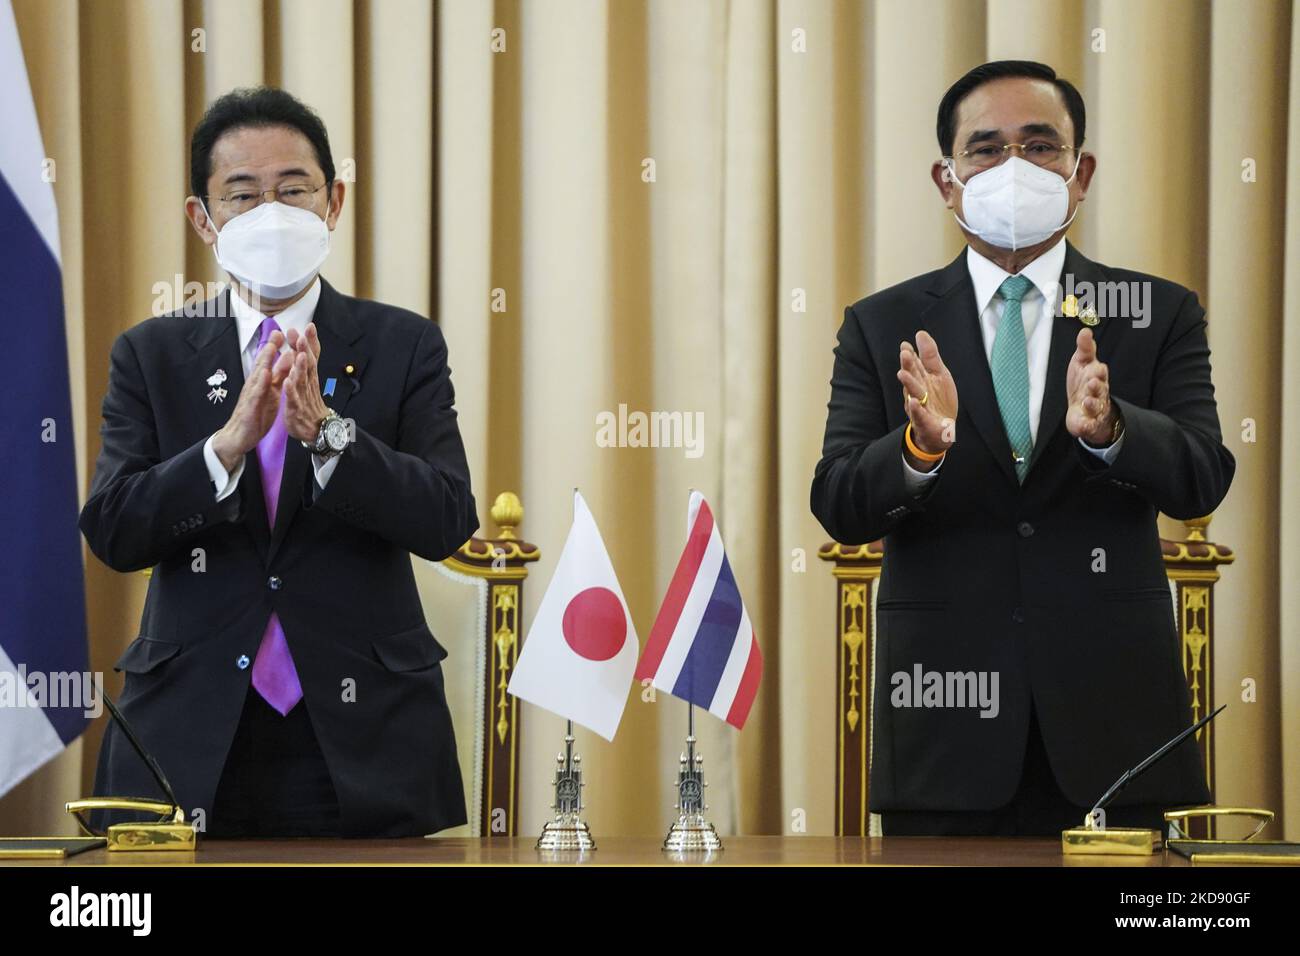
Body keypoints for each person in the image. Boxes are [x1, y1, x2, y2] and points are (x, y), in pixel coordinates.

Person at [810, 61, 1235, 836]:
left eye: (1040, 147)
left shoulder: (1156, 311)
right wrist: (919, 448)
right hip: (944, 736)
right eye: (986, 149)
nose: (1013, 168)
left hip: (1117, 730)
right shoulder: (881, 324)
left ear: (1081, 173)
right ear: (947, 181)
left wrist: (1113, 431)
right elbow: (839, 501)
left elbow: (1202, 478)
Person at [79, 87, 478, 837]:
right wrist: (225, 447)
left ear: (334, 202)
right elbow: (114, 531)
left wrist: (330, 437)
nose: (271, 213)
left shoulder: (404, 344)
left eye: (294, 190)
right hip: (188, 735)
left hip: (365, 737)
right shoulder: (151, 354)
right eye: (242, 194)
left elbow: (448, 518)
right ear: (202, 219)